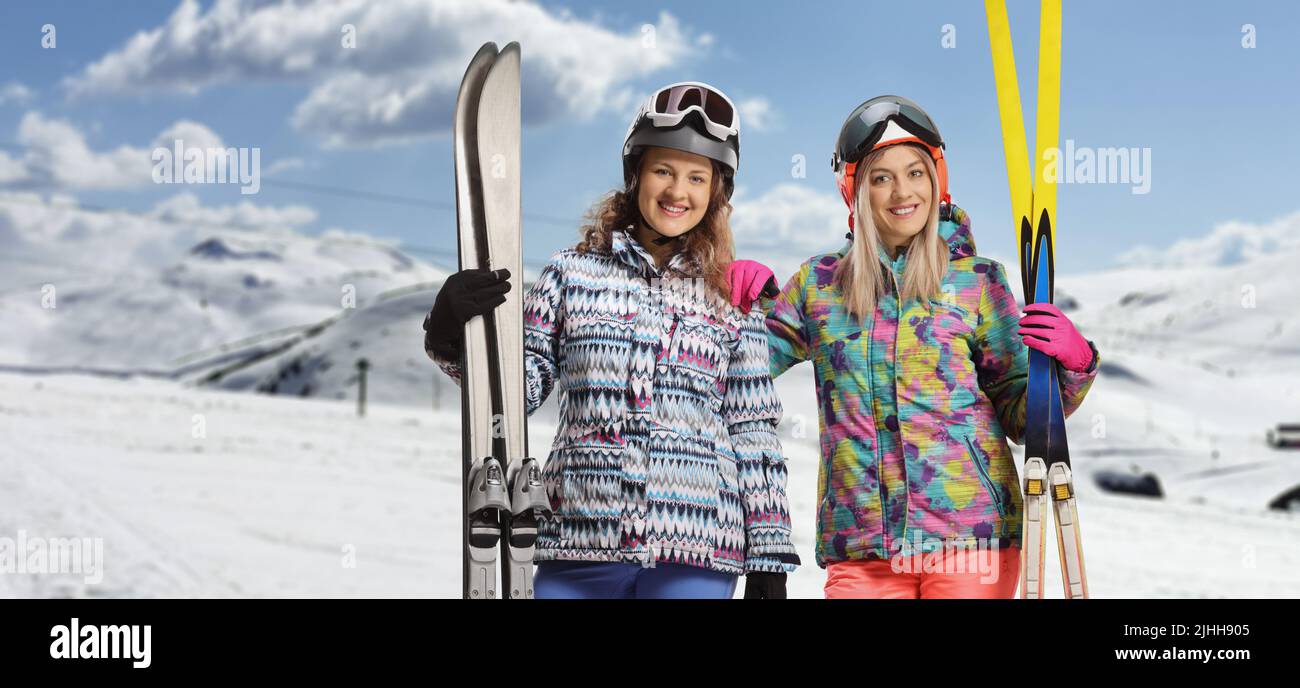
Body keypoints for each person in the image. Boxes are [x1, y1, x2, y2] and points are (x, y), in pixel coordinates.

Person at [425, 82, 800, 599]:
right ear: (635, 174)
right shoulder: (570, 275)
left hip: (697, 549)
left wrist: (769, 557)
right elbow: (519, 391)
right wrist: (451, 336)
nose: (678, 192)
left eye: (697, 177)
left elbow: (752, 432)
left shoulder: (730, 297)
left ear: (716, 191)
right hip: (578, 538)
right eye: (663, 171)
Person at [727, 95, 1099, 598]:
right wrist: (737, 305)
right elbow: (740, 366)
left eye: (915, 172)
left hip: (971, 541)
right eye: (881, 177)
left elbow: (1021, 415)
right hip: (862, 548)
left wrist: (1073, 365)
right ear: (854, 191)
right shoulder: (819, 286)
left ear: (937, 181)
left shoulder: (977, 282)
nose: (902, 191)